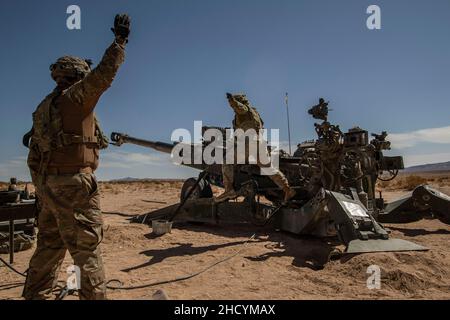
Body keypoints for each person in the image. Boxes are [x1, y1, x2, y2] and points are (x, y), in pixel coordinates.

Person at [22, 14, 131, 300]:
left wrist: (42, 190)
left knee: (48, 246)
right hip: (75, 185)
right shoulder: (76, 97)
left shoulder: (44, 108)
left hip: (48, 186)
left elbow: (33, 156)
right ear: (78, 76)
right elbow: (104, 75)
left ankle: (36, 295)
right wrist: (119, 43)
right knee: (87, 251)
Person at [215, 93, 296, 203]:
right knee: (269, 169)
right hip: (260, 144)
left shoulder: (244, 110)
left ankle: (229, 190)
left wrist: (231, 101)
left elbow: (240, 108)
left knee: (227, 161)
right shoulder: (254, 113)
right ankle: (287, 189)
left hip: (249, 144)